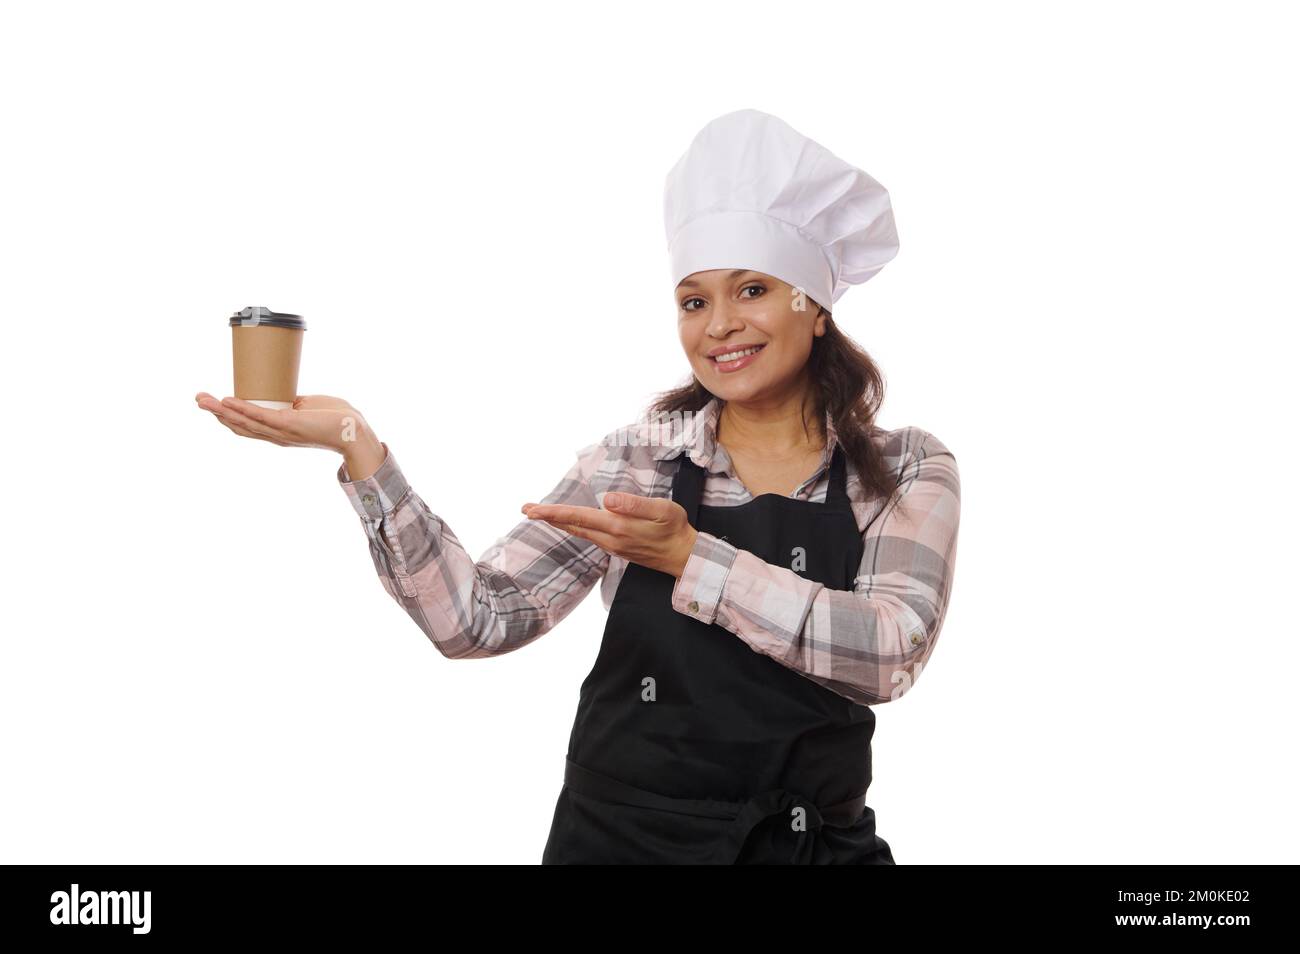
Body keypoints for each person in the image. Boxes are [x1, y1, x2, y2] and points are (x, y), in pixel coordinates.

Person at [195, 109, 960, 864]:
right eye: (694, 301)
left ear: (815, 308)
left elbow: (889, 654)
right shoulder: (637, 462)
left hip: (806, 849)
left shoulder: (903, 469)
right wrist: (361, 450)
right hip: (618, 843)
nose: (719, 325)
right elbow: (480, 620)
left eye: (753, 289)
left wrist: (693, 559)